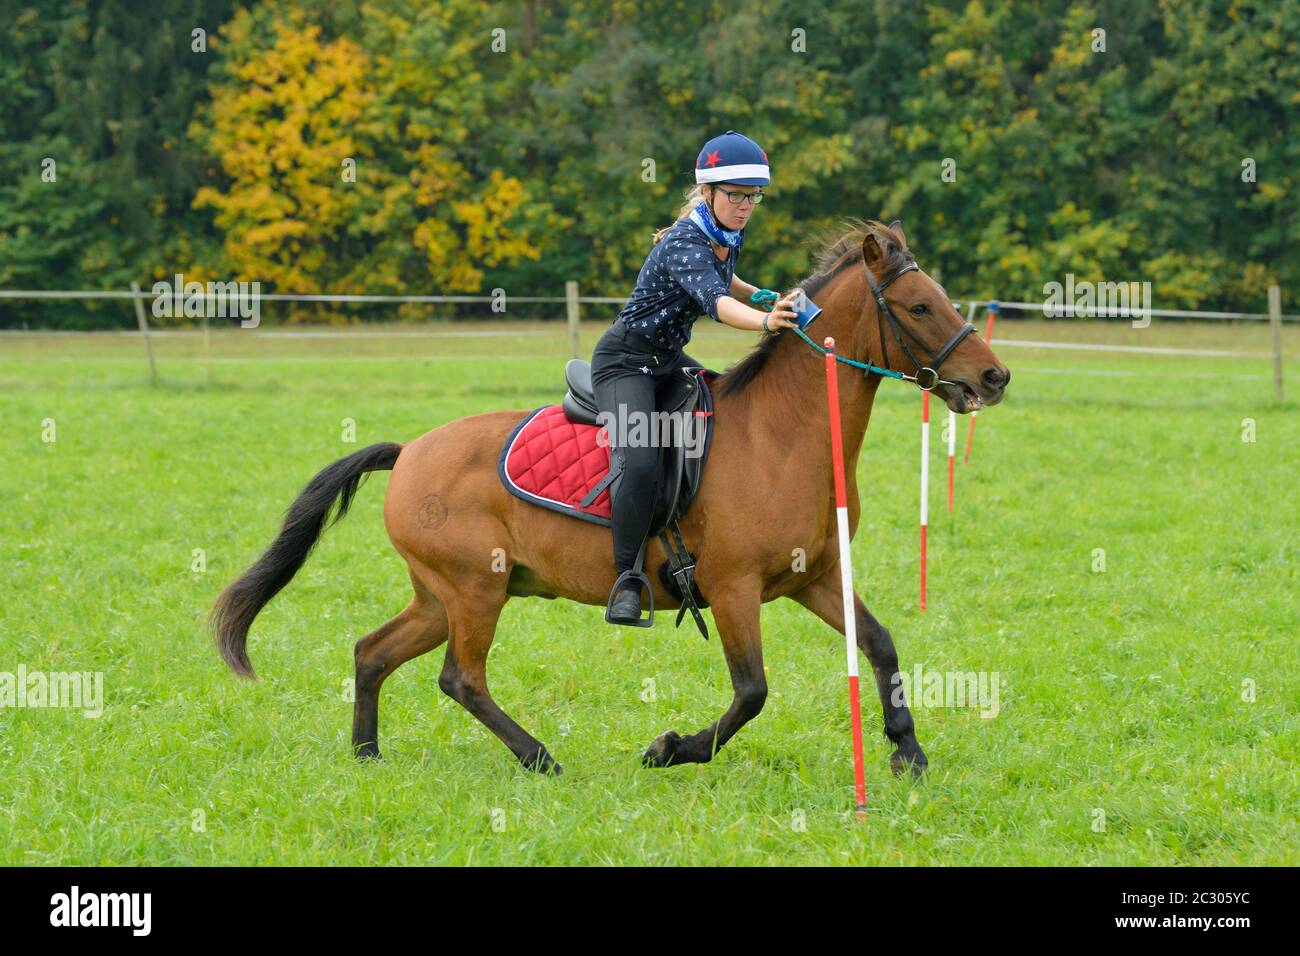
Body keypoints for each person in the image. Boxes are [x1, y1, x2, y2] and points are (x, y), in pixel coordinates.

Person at [592, 129, 801, 625]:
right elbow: (715, 302)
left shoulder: (725, 231)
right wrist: (765, 322)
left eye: (754, 197)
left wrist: (761, 296)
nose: (746, 205)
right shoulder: (686, 239)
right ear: (708, 193)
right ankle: (627, 578)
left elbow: (727, 282)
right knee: (641, 457)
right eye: (736, 196)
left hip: (668, 360)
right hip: (626, 363)